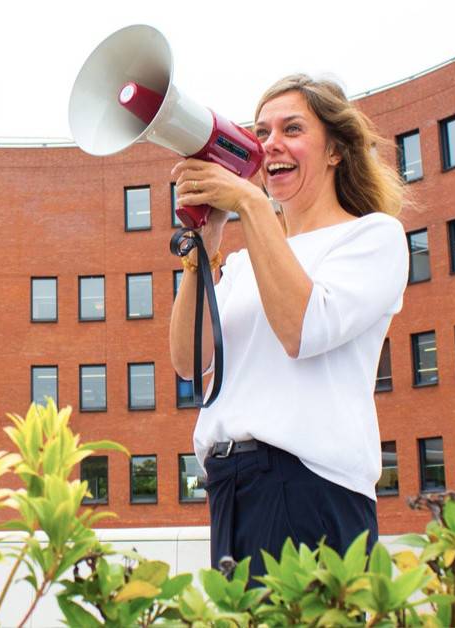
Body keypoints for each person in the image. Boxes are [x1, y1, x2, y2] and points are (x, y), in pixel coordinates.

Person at [168, 74, 409, 578]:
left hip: (310, 486)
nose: (271, 143)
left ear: (335, 151)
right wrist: (206, 245)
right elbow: (190, 361)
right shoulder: (241, 261)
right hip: (232, 483)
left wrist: (252, 205)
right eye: (262, 132)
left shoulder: (372, 237)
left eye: (292, 129)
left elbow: (301, 330)